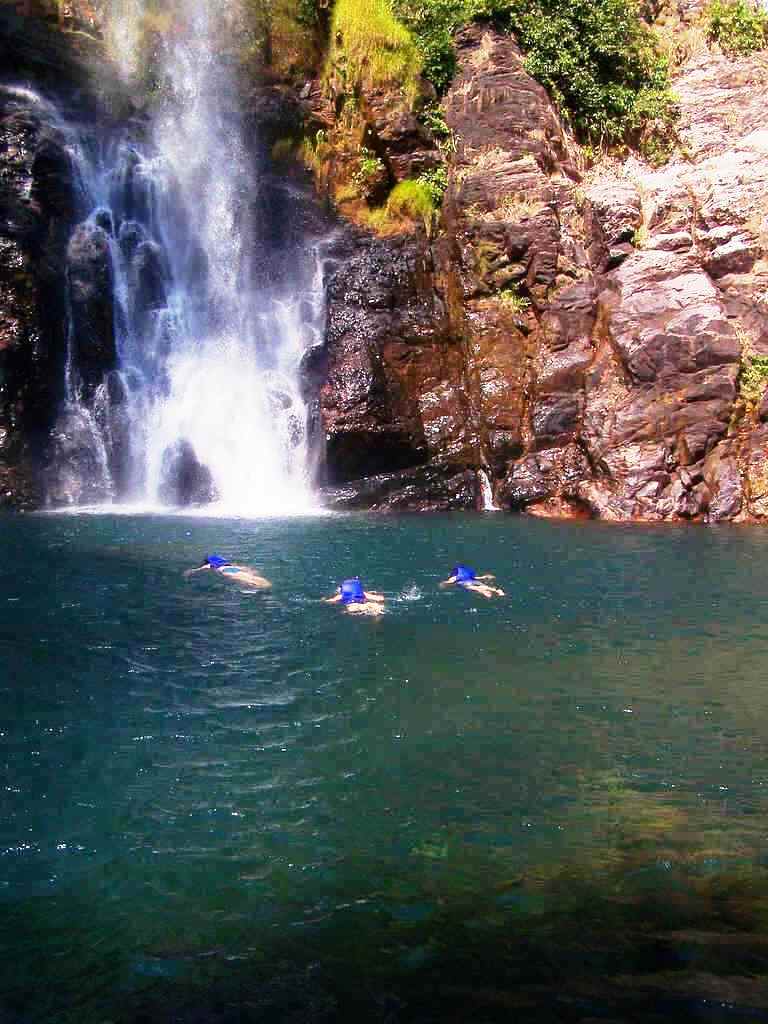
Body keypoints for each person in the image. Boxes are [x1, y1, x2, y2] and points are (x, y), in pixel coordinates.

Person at [184, 554, 271, 589]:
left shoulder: (210, 565)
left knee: (243, 579)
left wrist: (191, 571)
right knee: (249, 576)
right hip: (234, 569)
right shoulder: (226, 563)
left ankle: (257, 586)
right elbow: (242, 567)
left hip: (225, 570)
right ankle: (264, 583)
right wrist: (250, 570)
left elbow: (201, 569)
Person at [439, 563, 505, 599]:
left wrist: (442, 584)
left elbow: (449, 582)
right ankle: (497, 591)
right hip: (473, 580)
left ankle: (486, 592)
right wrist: (485, 576)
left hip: (466, 583)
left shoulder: (454, 577)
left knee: (475, 588)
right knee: (483, 586)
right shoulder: (467, 573)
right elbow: (477, 578)